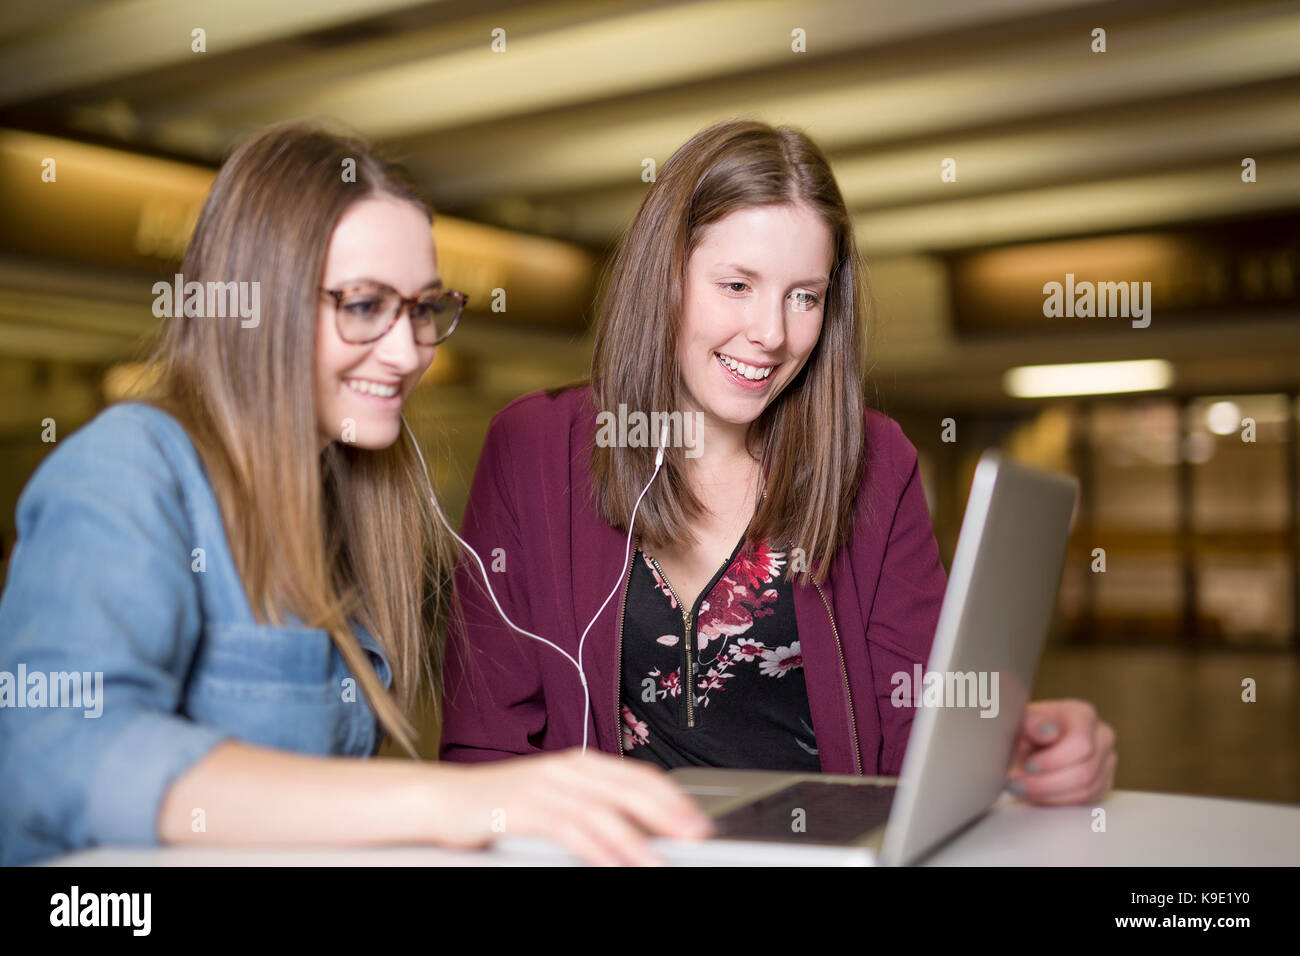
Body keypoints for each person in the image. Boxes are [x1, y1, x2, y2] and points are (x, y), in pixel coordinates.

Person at [0, 122, 711, 867]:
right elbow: (63, 751)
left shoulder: (339, 497)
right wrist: (444, 802)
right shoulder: (128, 468)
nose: (409, 354)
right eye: (365, 305)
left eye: (423, 309)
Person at [441, 119, 1118, 808]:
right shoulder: (532, 447)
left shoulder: (875, 461)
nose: (771, 334)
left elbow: (921, 726)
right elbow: (484, 745)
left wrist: (1014, 747)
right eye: (737, 285)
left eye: (805, 296)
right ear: (662, 279)